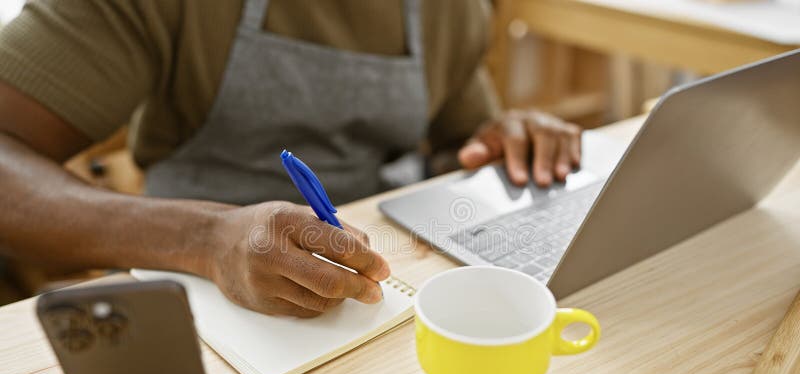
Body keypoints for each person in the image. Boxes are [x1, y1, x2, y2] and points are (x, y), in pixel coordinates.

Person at [0, 0, 582, 317]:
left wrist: (506, 140)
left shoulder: (450, 10)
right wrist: (204, 237)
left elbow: (461, 141)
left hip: (367, 297)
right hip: (191, 298)